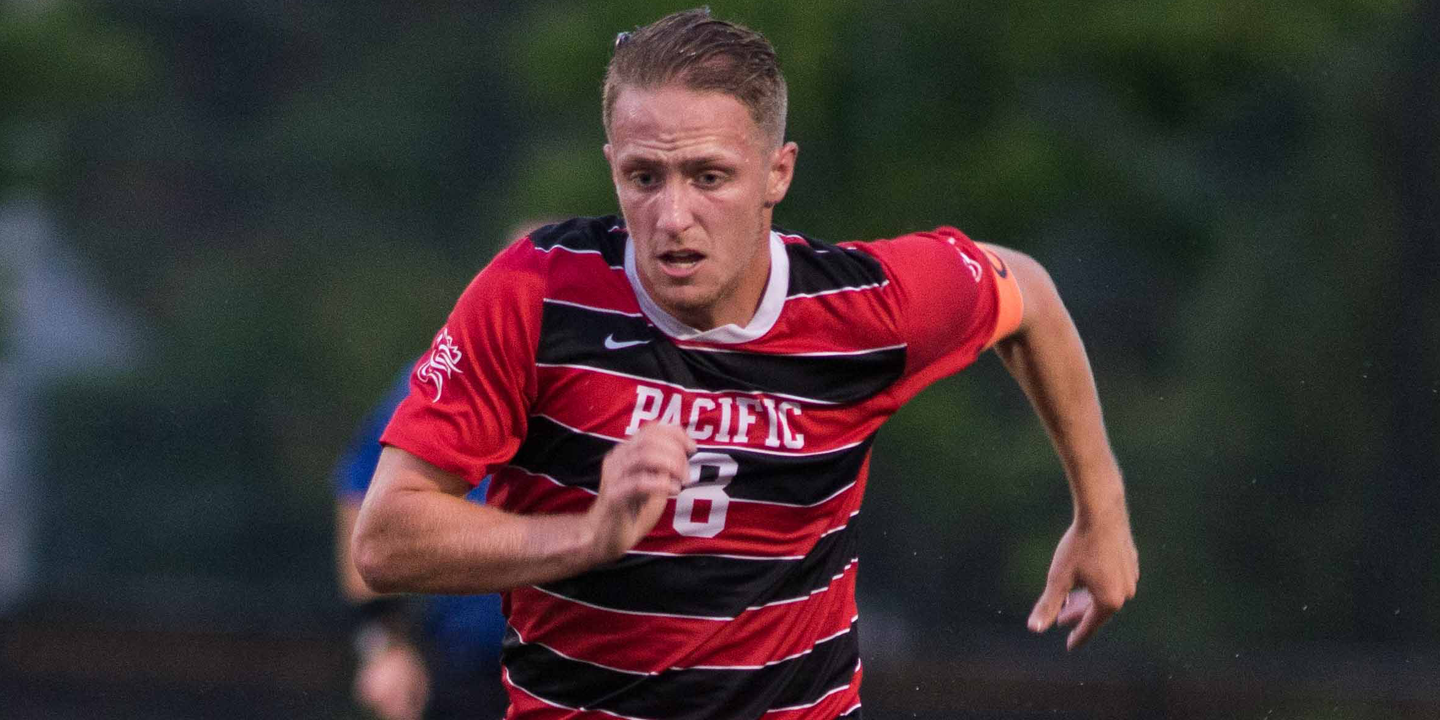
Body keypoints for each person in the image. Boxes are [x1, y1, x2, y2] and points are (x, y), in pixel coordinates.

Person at [353, 8, 1139, 719]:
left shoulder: (866, 308)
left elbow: (1026, 295)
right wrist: (589, 535)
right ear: (612, 166)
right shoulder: (535, 293)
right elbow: (383, 540)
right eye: (644, 177)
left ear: (777, 173)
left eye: (709, 177)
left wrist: (1100, 513)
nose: (673, 216)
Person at [335, 371, 509, 720]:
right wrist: (383, 647)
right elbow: (360, 496)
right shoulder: (444, 374)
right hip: (459, 661)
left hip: (577, 654)